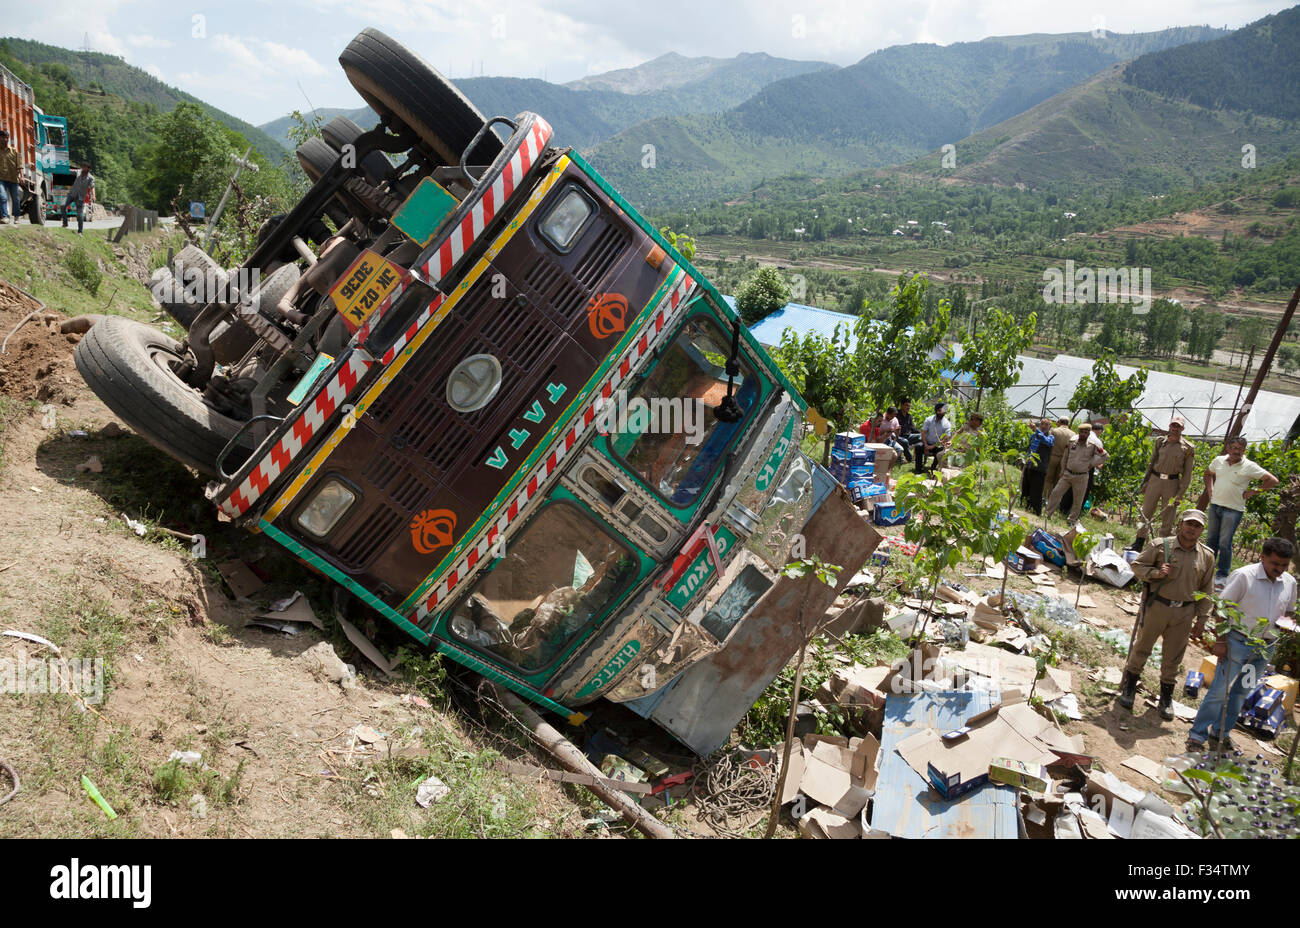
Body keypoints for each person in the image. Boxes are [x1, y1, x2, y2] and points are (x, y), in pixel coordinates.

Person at [1186, 536, 1298, 752]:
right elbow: (1222, 609)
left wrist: (1288, 625)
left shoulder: (1289, 582)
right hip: (1237, 643)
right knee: (1219, 690)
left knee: (1241, 691)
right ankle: (1196, 736)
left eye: (1284, 565)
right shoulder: (1244, 576)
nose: (1280, 569)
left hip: (1263, 649)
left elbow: (1290, 612)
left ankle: (1221, 733)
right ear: (1263, 557)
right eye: (1275, 564)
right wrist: (1220, 641)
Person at [1118, 509, 1215, 720]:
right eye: (1189, 524)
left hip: (1184, 612)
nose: (1192, 529)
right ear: (1181, 524)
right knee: (1142, 647)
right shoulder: (1161, 545)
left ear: (1202, 530)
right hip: (1158, 606)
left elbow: (1207, 590)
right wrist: (1156, 573)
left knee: (1174, 657)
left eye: (1197, 526)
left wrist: (1203, 618)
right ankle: (1129, 688)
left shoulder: (1206, 556)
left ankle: (1166, 699)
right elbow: (1136, 565)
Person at [1202, 436, 1278, 586]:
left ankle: (1222, 575)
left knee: (1224, 542)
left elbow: (1272, 480)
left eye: (1241, 449)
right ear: (1228, 449)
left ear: (1244, 450)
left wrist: (1254, 491)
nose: (1237, 451)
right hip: (1215, 505)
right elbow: (1207, 474)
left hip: (1233, 509)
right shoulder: (1218, 460)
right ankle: (1206, 570)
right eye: (1234, 448)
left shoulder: (1249, 466)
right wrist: (1210, 490)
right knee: (1211, 540)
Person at [1129, 416, 1196, 553]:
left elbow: (1187, 474)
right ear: (1169, 426)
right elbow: (1151, 463)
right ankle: (1138, 542)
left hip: (1172, 483)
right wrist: (1146, 482)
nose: (1175, 429)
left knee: (1168, 517)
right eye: (1173, 425)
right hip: (1155, 479)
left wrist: (1180, 495)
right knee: (1145, 513)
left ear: (1182, 428)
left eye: (1178, 426)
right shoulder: (1161, 442)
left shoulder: (1188, 448)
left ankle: (1160, 548)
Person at [1044, 422, 1109, 523]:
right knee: (1056, 493)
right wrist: (1062, 470)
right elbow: (1065, 457)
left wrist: (1092, 463)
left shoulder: (1093, 445)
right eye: (1081, 432)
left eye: (1085, 432)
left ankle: (1072, 520)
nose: (1083, 434)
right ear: (1079, 432)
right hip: (1068, 474)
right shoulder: (1072, 441)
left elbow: (1105, 456)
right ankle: (1047, 514)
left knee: (1078, 500)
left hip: (1081, 476)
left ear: (1088, 433)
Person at [1020, 418, 1055, 515]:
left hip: (1040, 468)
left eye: (1046, 424)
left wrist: (1037, 430)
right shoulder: (1033, 436)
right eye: (1042, 424)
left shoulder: (1050, 437)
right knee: (1026, 487)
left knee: (1036, 489)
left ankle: (1036, 511)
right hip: (1030, 466)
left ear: (1049, 427)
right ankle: (1025, 506)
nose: (1043, 426)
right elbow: (1029, 449)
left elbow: (1047, 442)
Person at [916, 401, 953, 474]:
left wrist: (932, 447)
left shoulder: (946, 423)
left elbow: (946, 438)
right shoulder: (929, 420)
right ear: (936, 411)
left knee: (941, 450)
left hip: (937, 445)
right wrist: (926, 445)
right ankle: (918, 469)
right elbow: (923, 432)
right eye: (940, 411)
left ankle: (932, 469)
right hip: (927, 443)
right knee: (918, 447)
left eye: (943, 411)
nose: (942, 413)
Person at [1044, 417, 1075, 495]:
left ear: (1059, 422)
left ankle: (1045, 496)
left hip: (1053, 457)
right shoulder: (1073, 434)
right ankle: (1053, 499)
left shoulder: (1054, 431)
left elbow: (1048, 442)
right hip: (1064, 460)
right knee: (1058, 481)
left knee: (1048, 479)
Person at [63, 162, 94, 234]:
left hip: (80, 197)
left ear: (88, 169)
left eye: (84, 166)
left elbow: (92, 187)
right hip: (72, 194)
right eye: (82, 166)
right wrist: (63, 168)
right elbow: (70, 171)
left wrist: (94, 195)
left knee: (80, 215)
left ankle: (80, 231)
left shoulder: (90, 178)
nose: (83, 167)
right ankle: (65, 223)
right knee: (63, 206)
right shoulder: (78, 172)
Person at [0, 129, 21, 225]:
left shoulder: (14, 151)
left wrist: (21, 176)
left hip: (13, 178)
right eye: (3, 137)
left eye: (7, 137)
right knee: (2, 196)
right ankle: (4, 216)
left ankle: (16, 216)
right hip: (1, 179)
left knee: (15, 199)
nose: (5, 139)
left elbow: (19, 165)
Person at [894, 398, 921, 463]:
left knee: (922, 437)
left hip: (908, 435)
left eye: (909, 406)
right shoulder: (896, 415)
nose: (908, 407)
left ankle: (918, 457)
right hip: (898, 436)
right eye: (906, 405)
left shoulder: (909, 416)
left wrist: (922, 432)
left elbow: (912, 428)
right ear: (902, 405)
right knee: (905, 441)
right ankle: (910, 459)